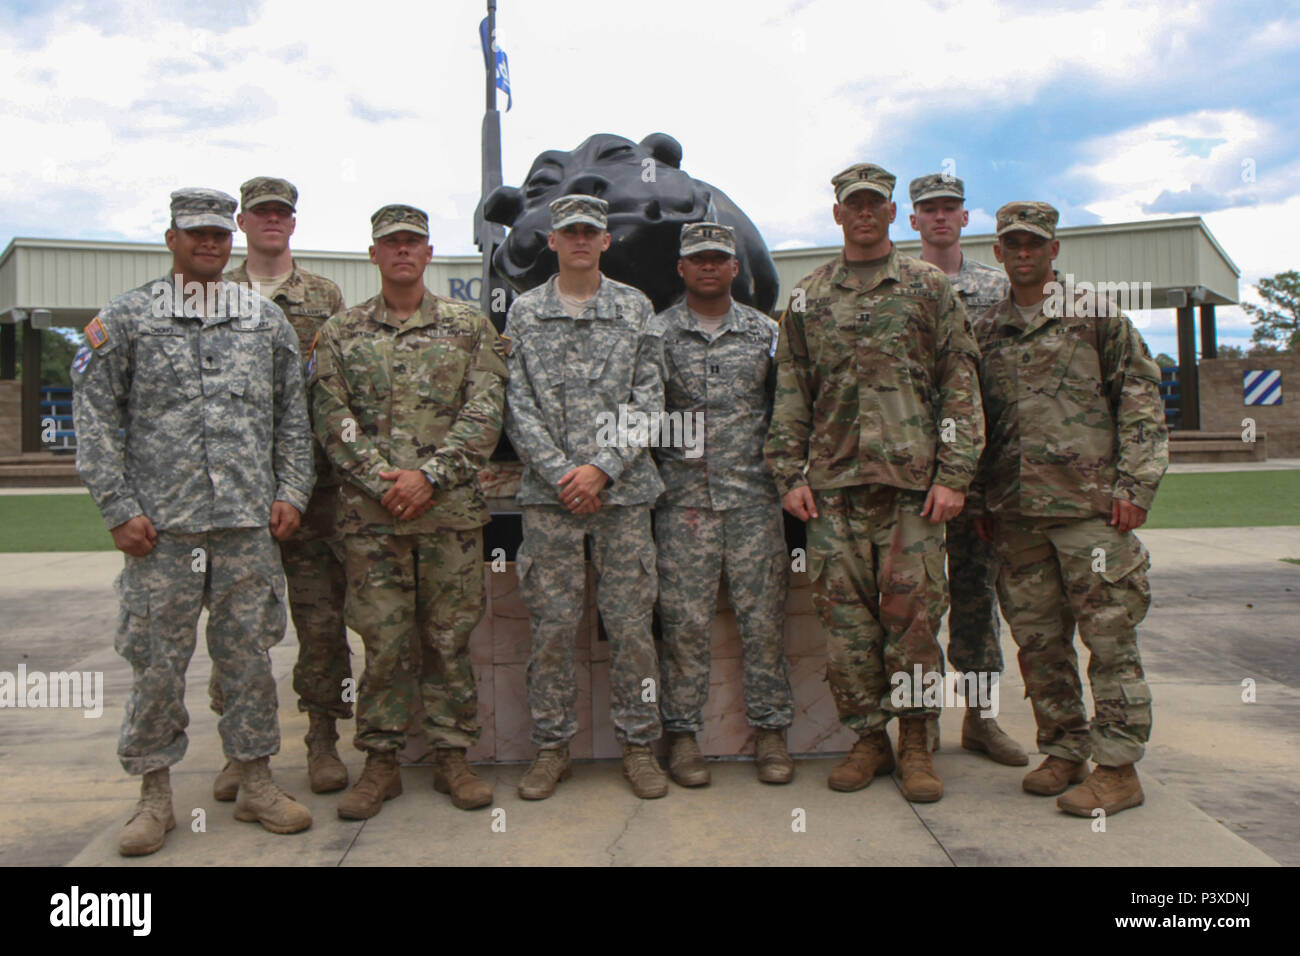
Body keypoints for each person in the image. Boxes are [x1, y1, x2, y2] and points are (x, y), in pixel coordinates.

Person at [72, 187, 316, 856]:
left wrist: (292, 490)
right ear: (171, 238)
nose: (209, 243)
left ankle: (258, 782)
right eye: (195, 233)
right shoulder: (127, 319)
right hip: (164, 533)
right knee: (156, 665)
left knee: (249, 662)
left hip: (244, 528)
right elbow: (95, 422)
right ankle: (154, 797)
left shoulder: (263, 323)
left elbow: (292, 418)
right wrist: (119, 509)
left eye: (218, 234)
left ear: (230, 240)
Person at [764, 164, 984, 803]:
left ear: (893, 214)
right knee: (847, 628)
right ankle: (868, 739)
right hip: (833, 490)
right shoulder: (807, 296)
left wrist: (955, 474)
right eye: (853, 204)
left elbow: (959, 383)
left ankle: (917, 742)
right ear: (837, 214)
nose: (864, 213)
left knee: (914, 622)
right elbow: (791, 390)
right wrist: (787, 473)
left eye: (875, 204)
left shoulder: (928, 288)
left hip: (913, 491)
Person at [970, 201, 1167, 816]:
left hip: (1090, 514)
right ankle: (1063, 749)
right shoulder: (986, 330)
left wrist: (1135, 488)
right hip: (1015, 513)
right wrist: (979, 497)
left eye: (1034, 243)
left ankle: (1119, 768)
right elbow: (976, 422)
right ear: (999, 253)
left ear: (1054, 250)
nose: (1023, 253)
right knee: (1039, 642)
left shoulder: (1097, 318)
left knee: (1108, 639)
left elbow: (1140, 402)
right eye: (1012, 244)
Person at [310, 204, 507, 816]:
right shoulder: (342, 333)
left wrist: (429, 477)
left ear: (427, 253)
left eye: (412, 242)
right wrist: (380, 480)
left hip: (448, 516)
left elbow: (485, 410)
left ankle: (453, 757)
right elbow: (330, 415)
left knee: (449, 640)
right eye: (390, 243)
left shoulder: (469, 325)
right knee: (384, 642)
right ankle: (381, 762)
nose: (402, 251)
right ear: (373, 254)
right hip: (374, 522)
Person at [503, 195, 669, 800]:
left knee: (630, 629)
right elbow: (515, 406)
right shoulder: (524, 312)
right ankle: (551, 748)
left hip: (622, 499)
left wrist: (600, 468)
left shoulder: (635, 308)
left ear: (605, 241)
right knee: (551, 628)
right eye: (568, 231)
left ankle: (639, 746)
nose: (579, 239)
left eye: (590, 232)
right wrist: (561, 474)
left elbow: (650, 398)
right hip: (550, 503)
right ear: (552, 241)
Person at [209, 176, 352, 801]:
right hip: (234, 489)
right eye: (261, 213)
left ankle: (322, 739)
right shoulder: (214, 293)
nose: (273, 221)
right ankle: (241, 751)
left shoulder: (323, 295)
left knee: (321, 620)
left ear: (293, 223)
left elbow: (335, 387)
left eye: (283, 213)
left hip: (315, 491)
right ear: (242, 222)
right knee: (237, 626)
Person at [653, 222, 794, 787]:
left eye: (719, 258)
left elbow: (786, 411)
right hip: (683, 505)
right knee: (683, 626)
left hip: (754, 503)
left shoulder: (766, 333)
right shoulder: (657, 334)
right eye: (698, 259)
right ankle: (683, 738)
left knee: (764, 625)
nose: (708, 267)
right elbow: (642, 414)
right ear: (682, 269)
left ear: (735, 268)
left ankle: (772, 734)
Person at [908, 173, 1026, 766]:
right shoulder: (899, 285)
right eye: (927, 209)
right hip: (914, 471)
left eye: (949, 208)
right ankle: (920, 724)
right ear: (912, 220)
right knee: (917, 604)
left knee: (978, 601)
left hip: (980, 474)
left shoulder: (996, 287)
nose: (939, 218)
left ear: (965, 217)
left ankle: (981, 720)